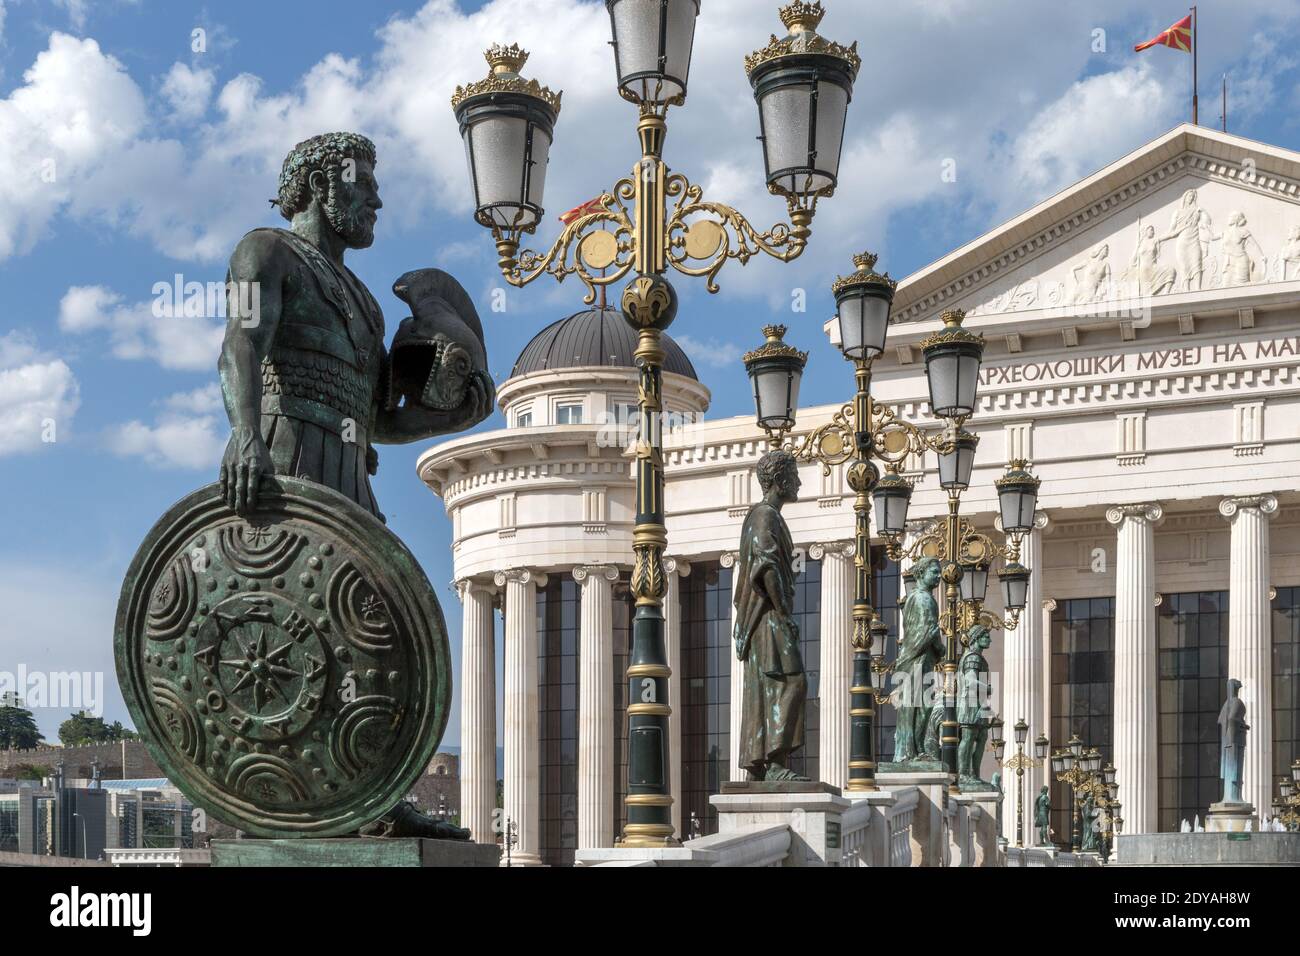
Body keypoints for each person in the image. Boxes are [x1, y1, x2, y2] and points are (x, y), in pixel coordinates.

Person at [733, 449, 807, 781]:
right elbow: (766, 566)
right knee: (791, 682)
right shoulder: (765, 516)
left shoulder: (763, 516)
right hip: (769, 615)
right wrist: (783, 610)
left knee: (769, 683)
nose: (800, 482)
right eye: (794, 476)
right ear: (779, 481)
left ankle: (760, 765)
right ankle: (775, 763)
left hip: (765, 615)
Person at [893, 556, 945, 762]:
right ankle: (907, 753)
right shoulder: (922, 598)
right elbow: (926, 631)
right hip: (917, 657)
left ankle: (915, 749)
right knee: (915, 706)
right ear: (921, 573)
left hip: (922, 658)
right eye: (935, 572)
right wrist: (941, 648)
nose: (939, 575)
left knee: (922, 706)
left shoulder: (920, 597)